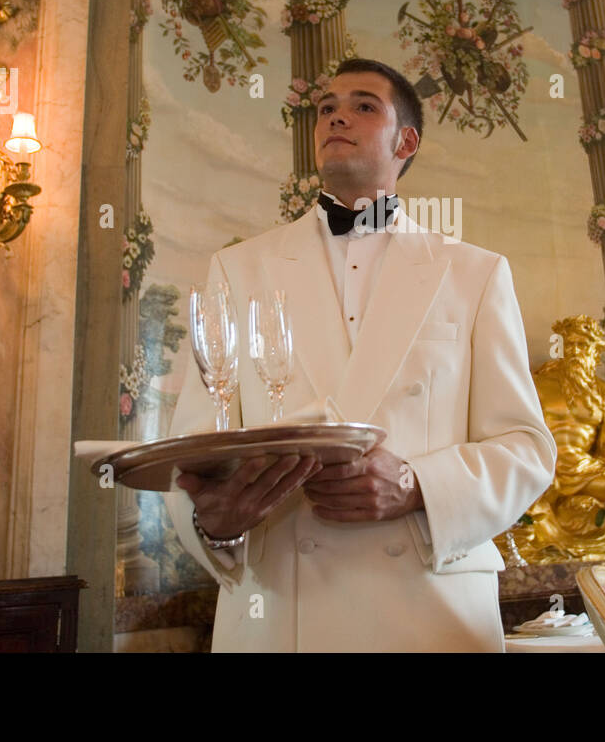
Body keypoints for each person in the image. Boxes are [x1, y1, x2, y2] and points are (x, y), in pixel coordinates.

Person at [163, 57, 556, 651]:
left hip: (430, 615)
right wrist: (210, 525)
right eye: (326, 107)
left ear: (407, 140)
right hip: (282, 610)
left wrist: (416, 483)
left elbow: (527, 451)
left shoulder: (475, 273)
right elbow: (192, 445)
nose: (336, 115)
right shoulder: (237, 269)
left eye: (363, 105)